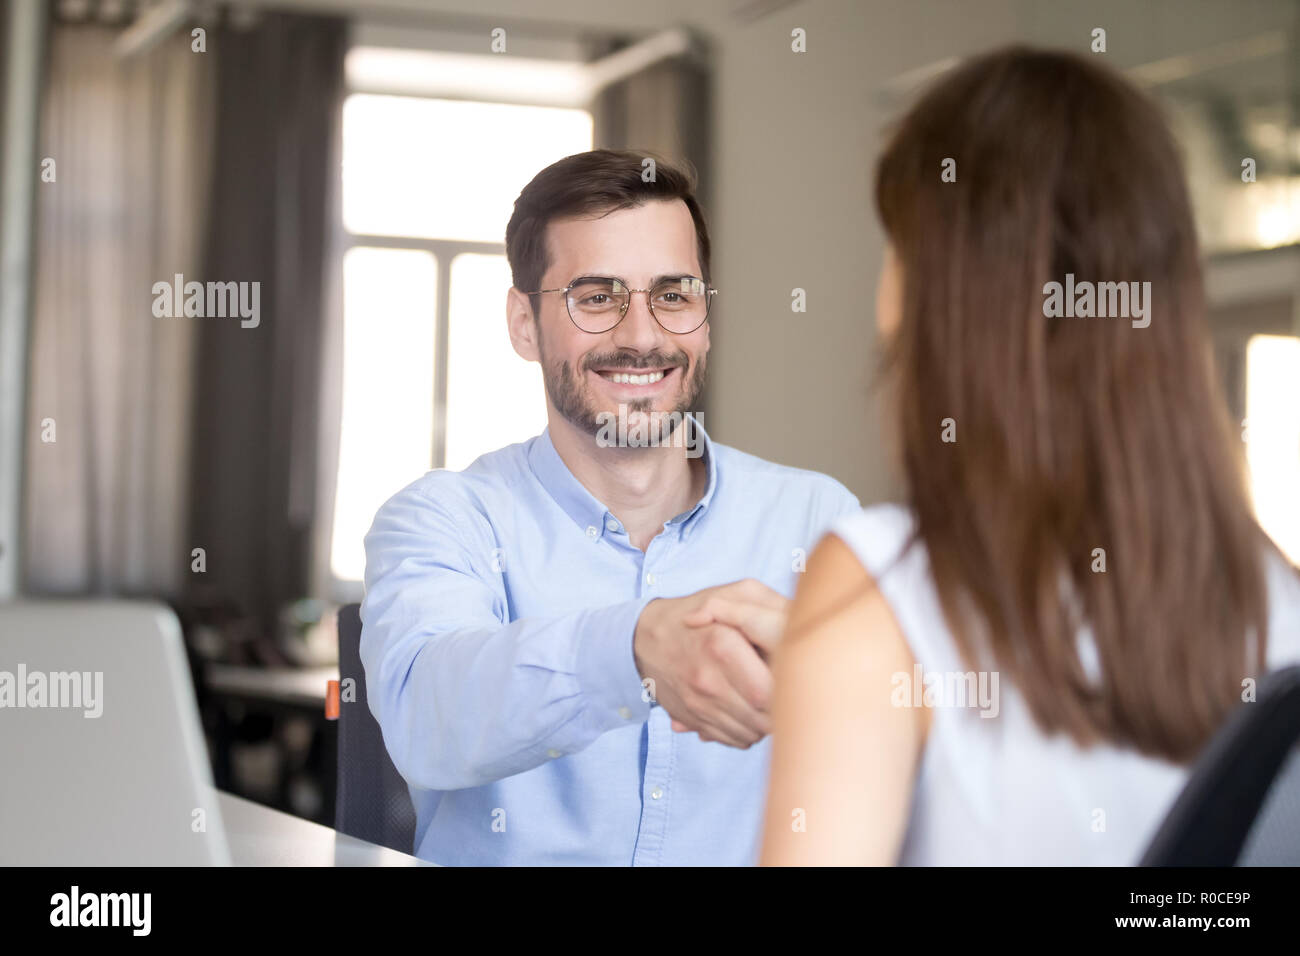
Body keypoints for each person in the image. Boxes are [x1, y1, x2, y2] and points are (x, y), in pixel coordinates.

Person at [760, 46, 1300, 866]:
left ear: (948, 292)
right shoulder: (1276, 597)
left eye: (897, 250)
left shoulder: (878, 589)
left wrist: (819, 657)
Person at [361, 149, 858, 865]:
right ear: (524, 324)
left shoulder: (816, 521)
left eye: (674, 295)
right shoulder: (443, 519)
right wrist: (634, 648)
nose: (642, 335)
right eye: (597, 297)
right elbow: (426, 717)